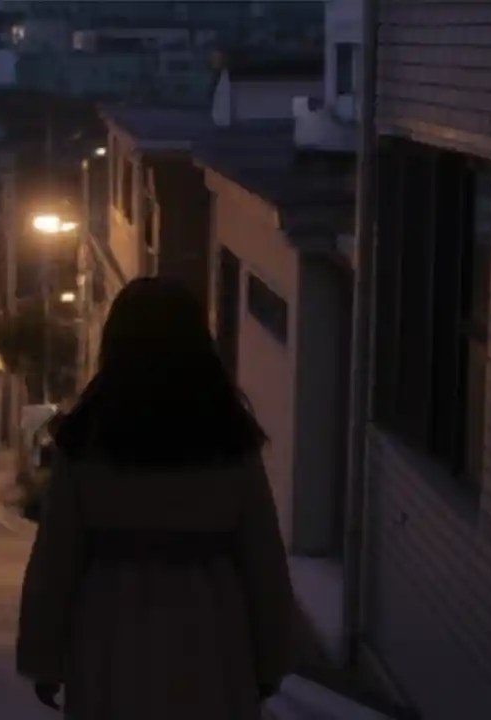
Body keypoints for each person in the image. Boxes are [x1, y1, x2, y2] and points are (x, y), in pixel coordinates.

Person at [16, 278, 296, 719]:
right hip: (212, 630)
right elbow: (262, 556)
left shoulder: (87, 437)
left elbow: (56, 558)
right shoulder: (227, 436)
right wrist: (271, 657)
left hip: (110, 629)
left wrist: (43, 658)